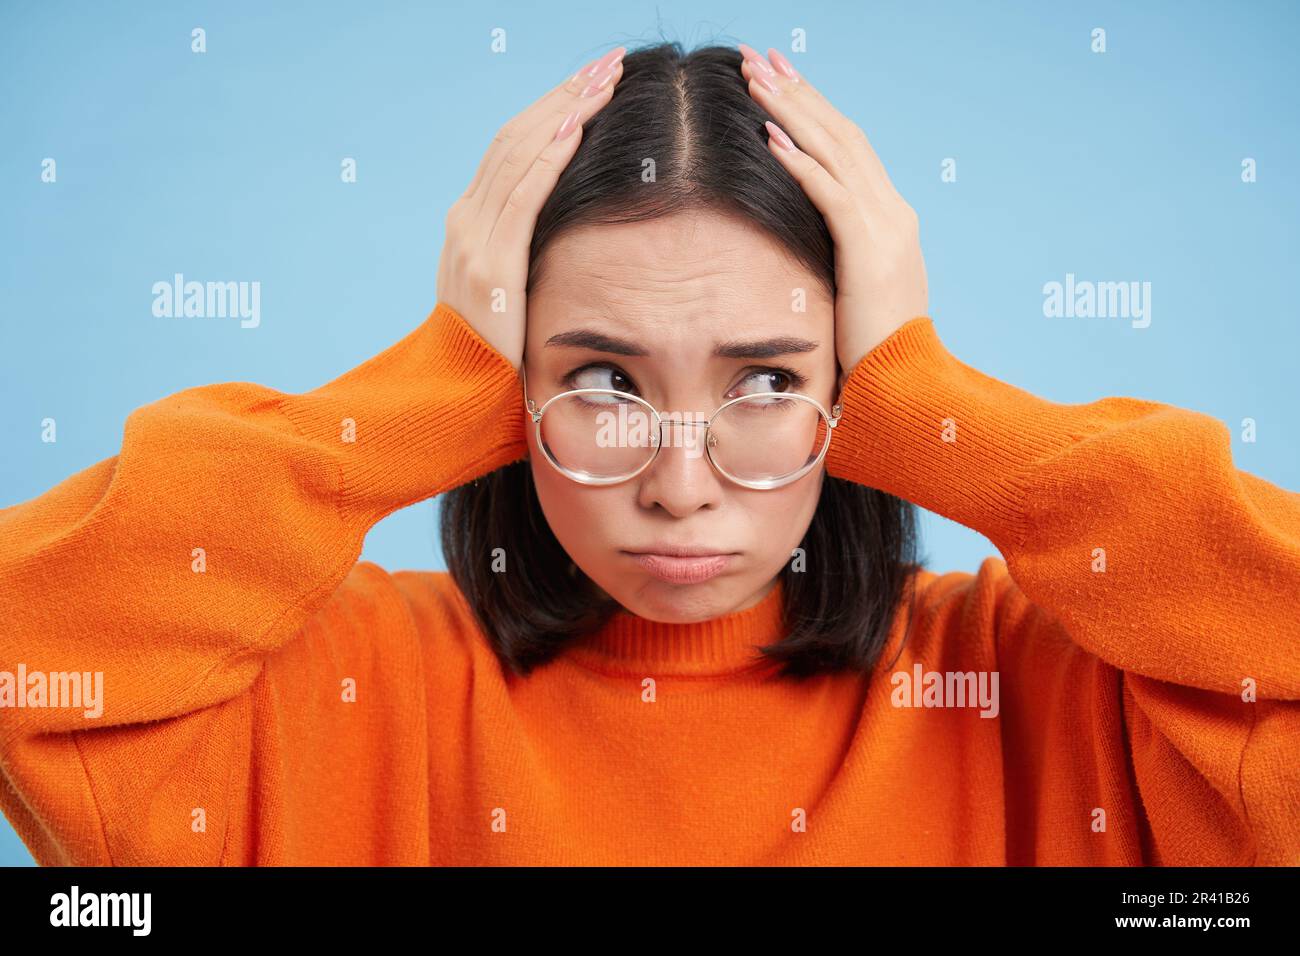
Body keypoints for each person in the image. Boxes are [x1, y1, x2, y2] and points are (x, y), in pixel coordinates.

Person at [0, 41, 1295, 867]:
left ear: (854, 389)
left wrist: (938, 406)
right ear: (510, 387)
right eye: (605, 379)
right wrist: (422, 392)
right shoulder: (341, 685)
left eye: (769, 381)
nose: (682, 486)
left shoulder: (1042, 687)